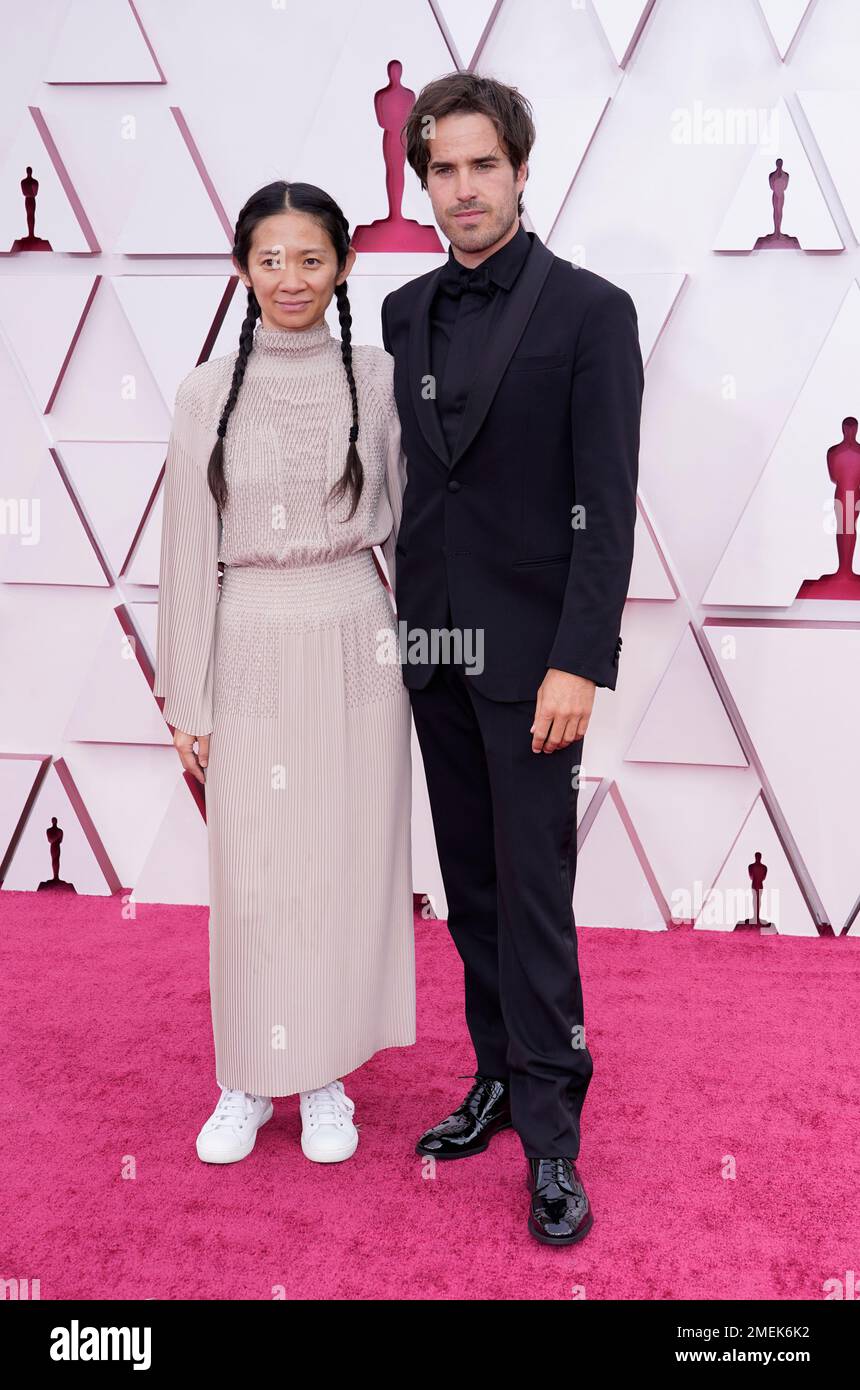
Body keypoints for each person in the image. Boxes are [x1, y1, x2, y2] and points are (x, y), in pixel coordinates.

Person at [381, 73, 644, 1245]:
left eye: (483, 165)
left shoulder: (592, 312)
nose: (463, 187)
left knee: (534, 898)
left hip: (537, 661)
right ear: (421, 181)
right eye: (442, 169)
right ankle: (492, 1074)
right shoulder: (399, 312)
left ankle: (550, 1134)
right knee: (472, 890)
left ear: (522, 171)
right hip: (433, 643)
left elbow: (605, 499)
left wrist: (579, 660)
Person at [153, 180, 415, 1166]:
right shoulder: (202, 391)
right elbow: (186, 548)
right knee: (255, 873)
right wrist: (188, 696)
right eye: (271, 259)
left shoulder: (382, 377)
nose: (291, 278)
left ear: (343, 265)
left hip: (356, 629)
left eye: (311, 258)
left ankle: (324, 1077)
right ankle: (245, 1077)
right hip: (248, 633)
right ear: (241, 269)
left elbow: (425, 521)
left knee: (341, 866)